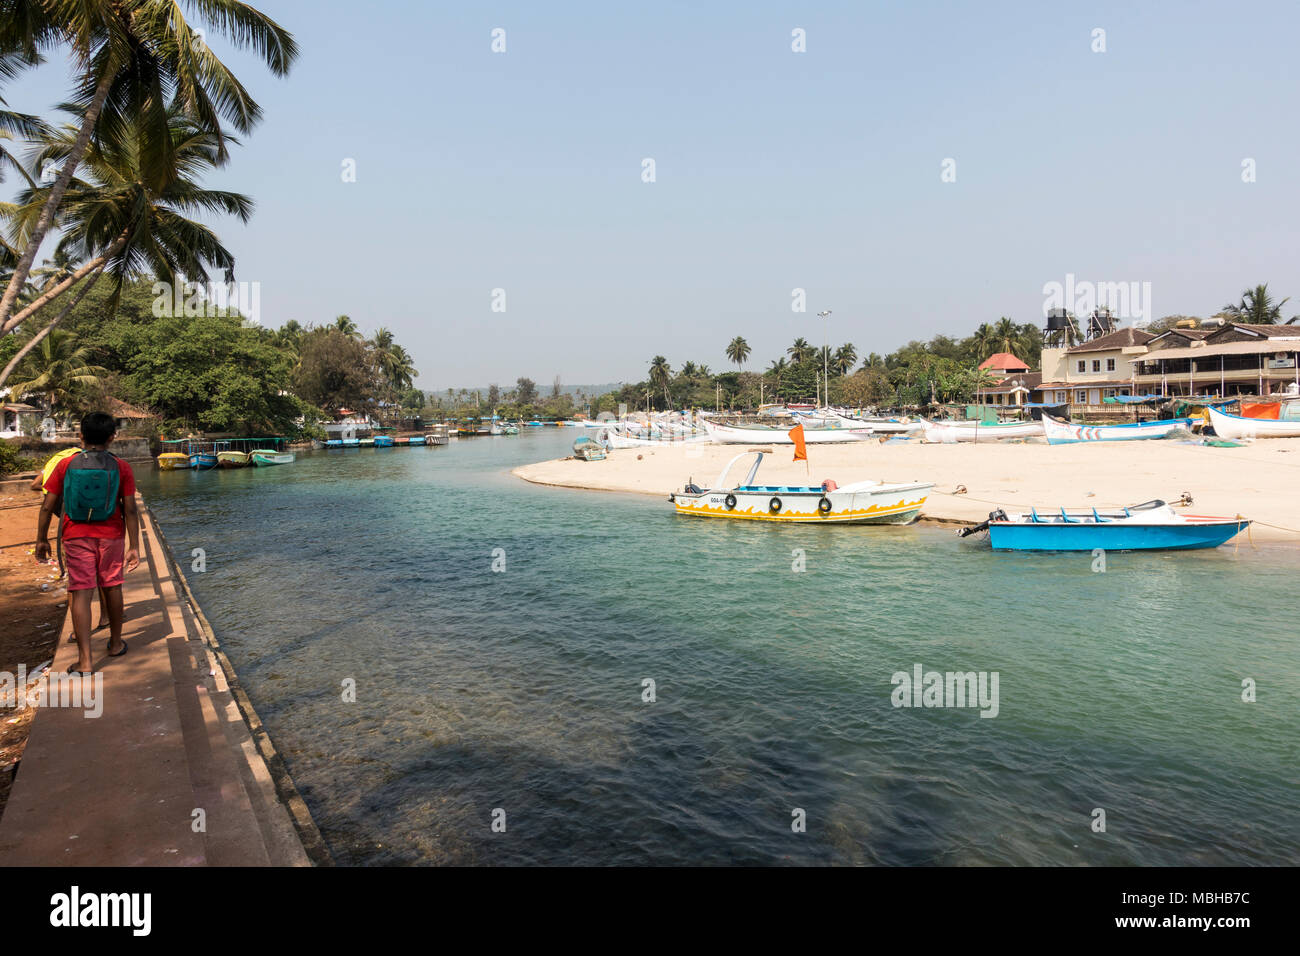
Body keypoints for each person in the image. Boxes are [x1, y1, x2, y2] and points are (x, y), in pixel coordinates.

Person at [34, 412, 140, 674]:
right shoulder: (122, 467)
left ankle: (85, 661)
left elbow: (48, 506)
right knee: (112, 586)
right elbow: (130, 509)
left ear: (80, 436)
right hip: (111, 535)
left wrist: (41, 539)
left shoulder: (65, 465)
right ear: (113, 438)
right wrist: (134, 546)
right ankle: (115, 644)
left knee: (80, 593)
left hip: (75, 534)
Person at [32, 444, 112, 633]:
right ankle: (106, 618)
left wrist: (41, 538)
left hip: (70, 523)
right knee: (102, 574)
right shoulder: (102, 461)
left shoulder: (58, 462)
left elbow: (38, 491)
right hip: (98, 522)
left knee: (76, 581)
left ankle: (78, 632)